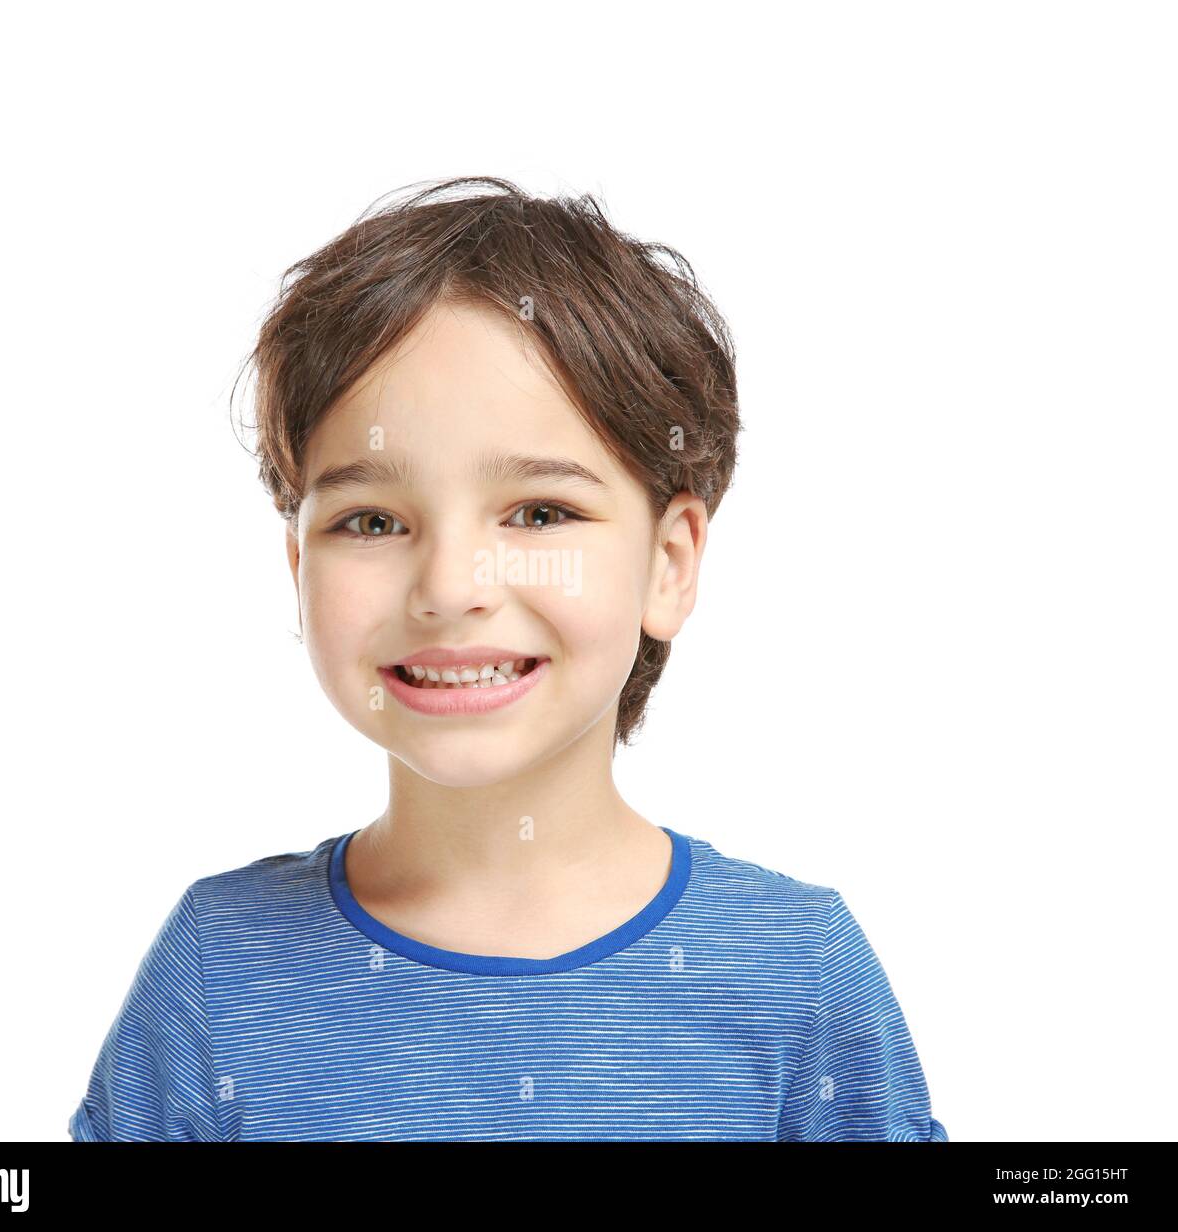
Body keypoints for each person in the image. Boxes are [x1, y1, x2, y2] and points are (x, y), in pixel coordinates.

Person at [69, 176, 947, 1142]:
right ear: (298, 565)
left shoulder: (799, 972)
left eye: (539, 514)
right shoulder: (217, 969)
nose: (452, 584)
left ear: (668, 562)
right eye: (372, 521)